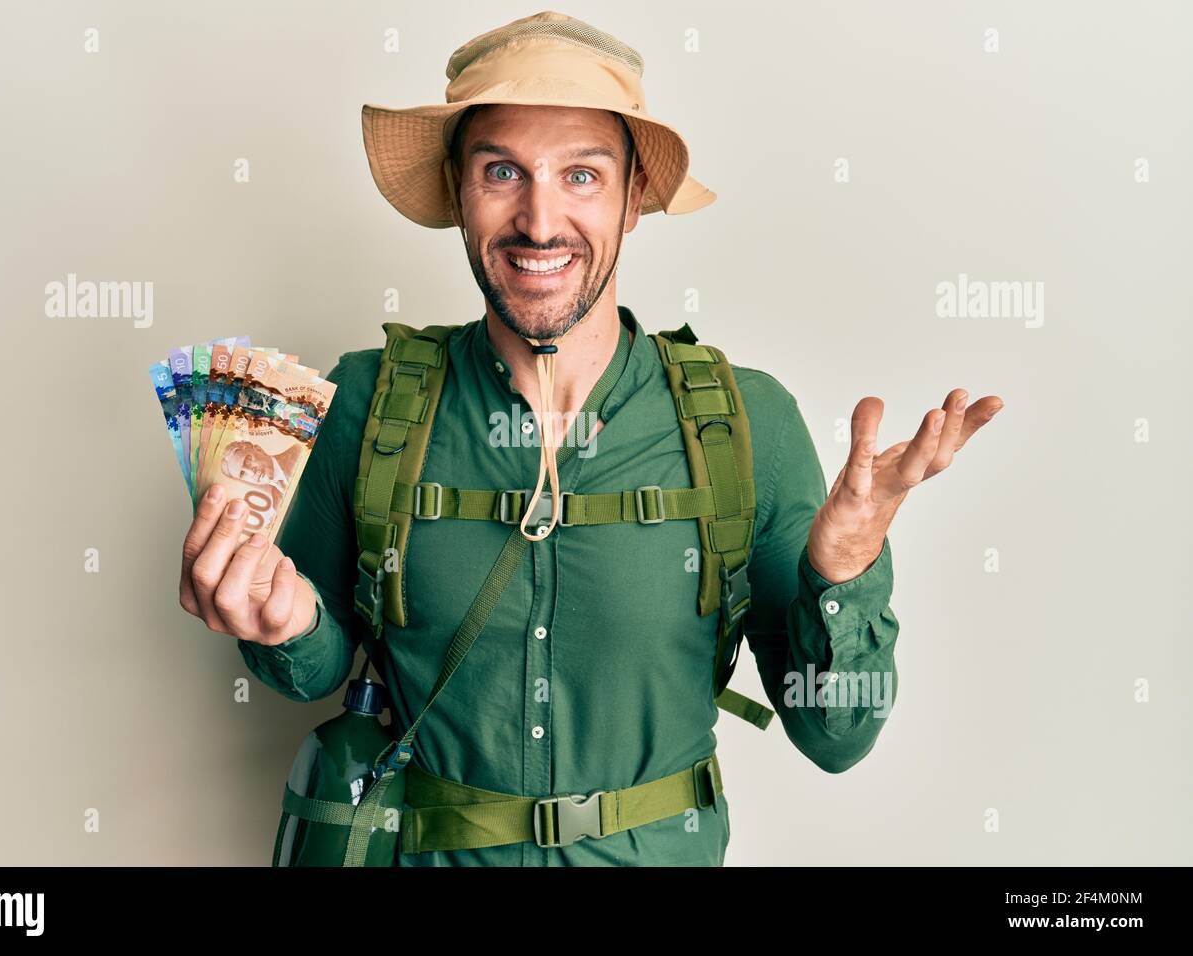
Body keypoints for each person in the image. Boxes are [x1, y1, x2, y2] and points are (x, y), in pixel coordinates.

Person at [177, 11, 1003, 866]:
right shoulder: (366, 402)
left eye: (581, 175)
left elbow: (838, 740)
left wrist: (845, 573)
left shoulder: (746, 422)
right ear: (458, 189)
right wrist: (283, 627)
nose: (540, 221)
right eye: (502, 171)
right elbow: (312, 673)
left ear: (633, 198)